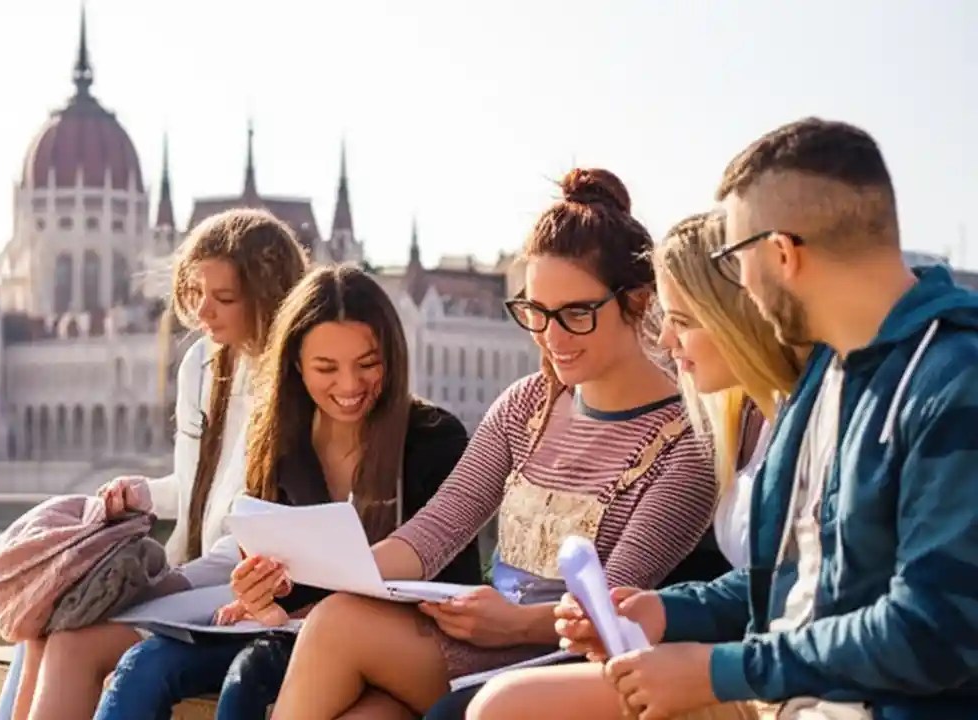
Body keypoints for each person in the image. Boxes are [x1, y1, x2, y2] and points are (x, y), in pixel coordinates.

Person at [256, 168, 720, 719]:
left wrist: (514, 623)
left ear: (638, 301)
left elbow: (617, 600)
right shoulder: (528, 403)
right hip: (477, 645)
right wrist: (299, 572)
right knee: (352, 670)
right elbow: (435, 531)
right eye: (535, 313)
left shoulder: (685, 441)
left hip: (565, 667)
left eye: (576, 314)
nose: (552, 338)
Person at [558, 118, 978, 720]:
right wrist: (666, 611)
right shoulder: (828, 377)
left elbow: (933, 631)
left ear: (782, 253)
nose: (740, 287)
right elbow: (793, 579)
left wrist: (719, 671)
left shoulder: (952, 381)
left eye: (735, 256)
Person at [91, 264, 483, 720]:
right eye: (326, 368)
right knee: (145, 663)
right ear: (296, 364)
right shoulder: (278, 437)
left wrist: (302, 613)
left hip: (398, 644)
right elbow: (273, 575)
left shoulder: (434, 438)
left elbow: (453, 584)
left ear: (392, 358)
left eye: (368, 364)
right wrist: (256, 592)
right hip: (284, 630)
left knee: (251, 675)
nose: (350, 386)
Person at [463, 210, 803, 719]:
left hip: (776, 677)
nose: (665, 338)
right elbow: (766, 583)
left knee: (499, 706)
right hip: (748, 661)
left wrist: (706, 658)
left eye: (682, 320)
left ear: (736, 316)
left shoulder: (719, 430)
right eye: (537, 311)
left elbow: (817, 592)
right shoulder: (736, 415)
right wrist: (665, 610)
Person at [0, 208, 308, 720]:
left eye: (224, 298)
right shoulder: (201, 365)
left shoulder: (293, 379)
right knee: (43, 625)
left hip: (242, 589)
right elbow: (194, 491)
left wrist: (170, 581)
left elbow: (258, 523)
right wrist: (143, 494)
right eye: (196, 293)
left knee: (73, 639)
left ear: (268, 296)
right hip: (194, 571)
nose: (204, 312)